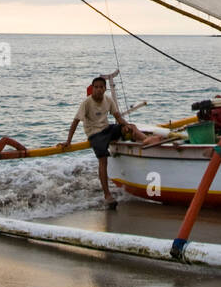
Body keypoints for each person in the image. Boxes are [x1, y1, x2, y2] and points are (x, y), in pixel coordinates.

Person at [61, 74, 161, 207]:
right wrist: (68, 141)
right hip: (95, 134)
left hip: (107, 129)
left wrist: (126, 126)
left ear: (105, 89)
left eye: (101, 87)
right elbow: (75, 122)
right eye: (95, 87)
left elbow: (118, 117)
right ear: (92, 89)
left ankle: (147, 140)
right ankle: (107, 194)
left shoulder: (108, 100)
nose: (98, 89)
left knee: (130, 127)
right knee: (103, 160)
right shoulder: (86, 103)